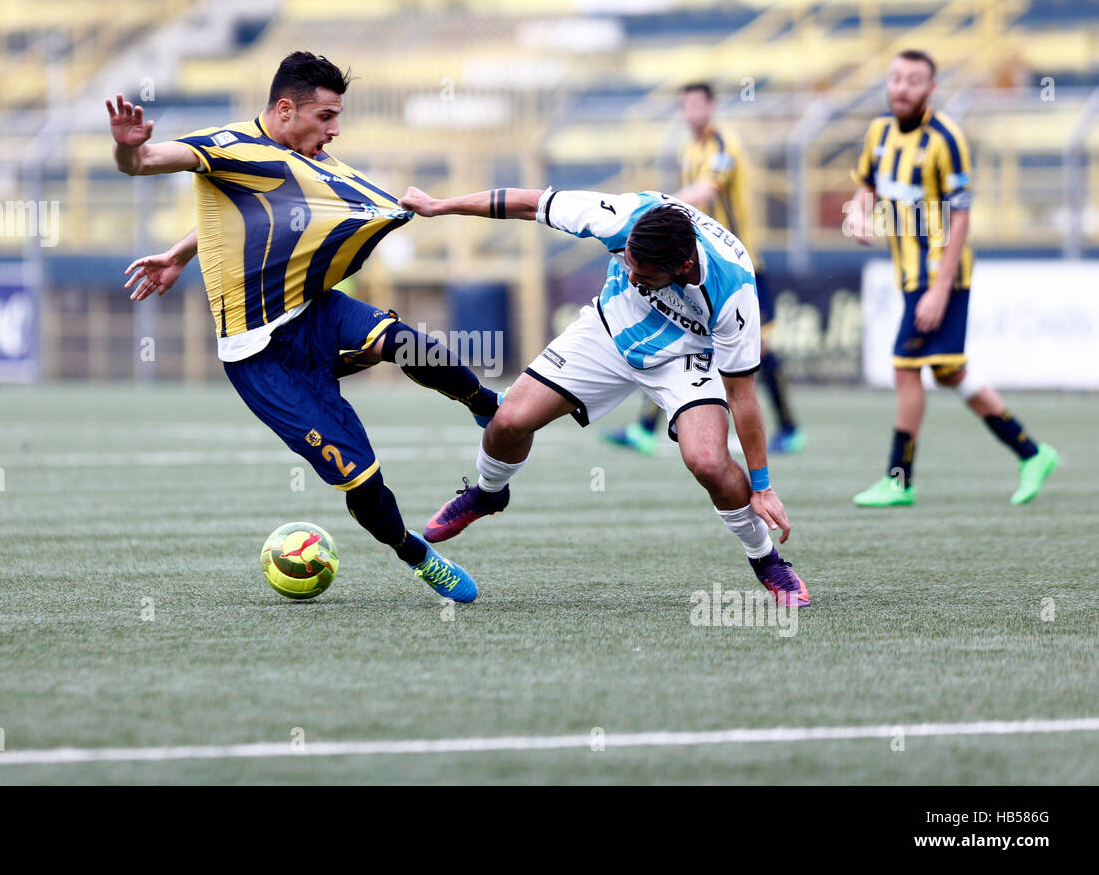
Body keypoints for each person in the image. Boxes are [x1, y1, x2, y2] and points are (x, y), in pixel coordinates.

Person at [110, 51, 498, 601]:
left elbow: (248, 213)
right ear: (286, 109)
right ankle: (418, 554)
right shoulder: (223, 147)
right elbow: (145, 161)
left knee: (409, 345)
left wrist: (180, 251)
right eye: (326, 117)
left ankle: (488, 408)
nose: (335, 131)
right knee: (363, 481)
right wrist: (129, 147)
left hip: (314, 310)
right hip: (262, 360)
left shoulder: (301, 160)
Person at [399, 183, 810, 607]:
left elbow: (743, 396)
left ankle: (767, 561)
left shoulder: (734, 290)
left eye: (643, 275)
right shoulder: (622, 217)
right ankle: (488, 493)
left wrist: (762, 486)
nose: (630, 276)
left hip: (686, 358)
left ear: (684, 267)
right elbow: (527, 203)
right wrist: (440, 205)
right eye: (627, 263)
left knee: (708, 461)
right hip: (610, 330)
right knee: (508, 423)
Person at [845, 49, 1056, 507]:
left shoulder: (946, 139)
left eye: (913, 81)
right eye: (895, 78)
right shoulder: (879, 133)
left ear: (931, 89)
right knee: (948, 371)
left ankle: (899, 478)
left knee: (904, 366)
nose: (901, 87)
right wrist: (860, 215)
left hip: (943, 275)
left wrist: (940, 289)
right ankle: (1032, 452)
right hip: (908, 276)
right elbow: (867, 186)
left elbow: (959, 218)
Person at [603, 82, 803, 456]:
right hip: (695, 265)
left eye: (698, 104)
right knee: (678, 333)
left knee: (760, 347)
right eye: (686, 106)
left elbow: (707, 190)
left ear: (711, 107)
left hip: (738, 268)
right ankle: (646, 427)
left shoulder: (724, 145)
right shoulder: (688, 148)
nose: (692, 112)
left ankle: (790, 428)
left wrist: (661, 205)